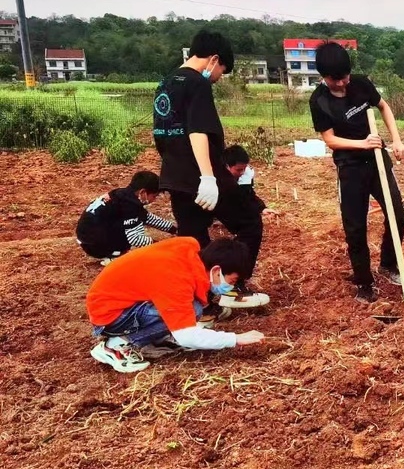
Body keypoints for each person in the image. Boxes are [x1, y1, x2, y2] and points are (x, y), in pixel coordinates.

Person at [153, 29, 268, 310]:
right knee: (249, 222)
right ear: (214, 59)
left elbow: (160, 135)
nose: (218, 77)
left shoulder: (166, 83)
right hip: (206, 177)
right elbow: (198, 131)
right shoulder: (197, 83)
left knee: (194, 241)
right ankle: (233, 285)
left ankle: (205, 302)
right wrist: (207, 177)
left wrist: (176, 168)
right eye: (222, 71)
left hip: (176, 177)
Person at [309, 41, 404, 303]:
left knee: (398, 214)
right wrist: (361, 144)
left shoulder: (362, 84)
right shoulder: (319, 101)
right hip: (349, 167)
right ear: (323, 76)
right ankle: (364, 281)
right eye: (335, 79)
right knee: (355, 227)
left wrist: (396, 140)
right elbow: (329, 139)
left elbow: (384, 107)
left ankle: (388, 263)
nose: (342, 84)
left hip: (377, 160)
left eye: (344, 77)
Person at [86, 237, 265, 374]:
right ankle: (115, 345)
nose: (231, 287)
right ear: (216, 270)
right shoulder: (177, 278)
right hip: (110, 315)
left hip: (122, 303)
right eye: (232, 280)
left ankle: (154, 339)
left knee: (191, 308)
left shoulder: (187, 256)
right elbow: (187, 336)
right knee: (192, 310)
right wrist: (235, 338)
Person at [76, 171, 177, 263]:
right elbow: (135, 238)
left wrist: (174, 230)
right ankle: (114, 255)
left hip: (87, 239)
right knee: (132, 226)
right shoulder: (130, 205)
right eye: (154, 196)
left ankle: (113, 251)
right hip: (94, 245)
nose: (154, 200)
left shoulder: (123, 195)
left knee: (133, 220)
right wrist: (162, 247)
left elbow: (147, 217)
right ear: (143, 192)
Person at [223, 144, 278, 219]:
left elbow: (248, 194)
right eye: (238, 170)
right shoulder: (214, 174)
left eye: (244, 168)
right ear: (227, 166)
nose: (242, 172)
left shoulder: (247, 173)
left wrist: (262, 208)